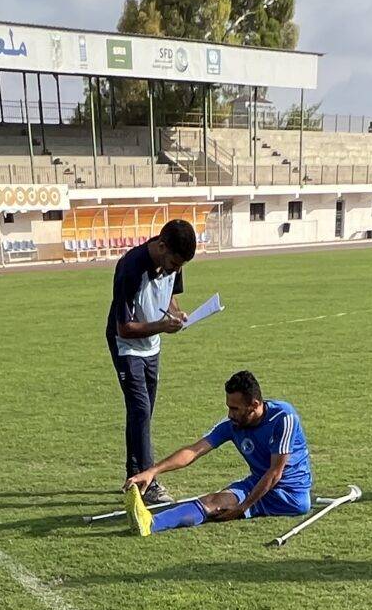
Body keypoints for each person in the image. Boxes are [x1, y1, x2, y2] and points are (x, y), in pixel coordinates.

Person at [125, 370, 312, 535]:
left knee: (221, 503)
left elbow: (274, 473)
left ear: (254, 405)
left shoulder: (284, 417)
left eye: (235, 408)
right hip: (257, 483)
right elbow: (193, 451)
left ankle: (153, 522)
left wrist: (242, 507)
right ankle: (149, 523)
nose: (230, 414)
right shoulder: (232, 424)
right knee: (213, 501)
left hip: (290, 495)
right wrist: (152, 471)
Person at [108, 218, 198, 502]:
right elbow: (125, 327)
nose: (176, 269)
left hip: (152, 347)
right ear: (161, 246)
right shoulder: (131, 268)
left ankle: (134, 477)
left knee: (142, 414)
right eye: (174, 263)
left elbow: (170, 296)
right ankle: (149, 482)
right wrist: (162, 326)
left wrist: (176, 313)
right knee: (140, 411)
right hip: (127, 347)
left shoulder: (174, 262)